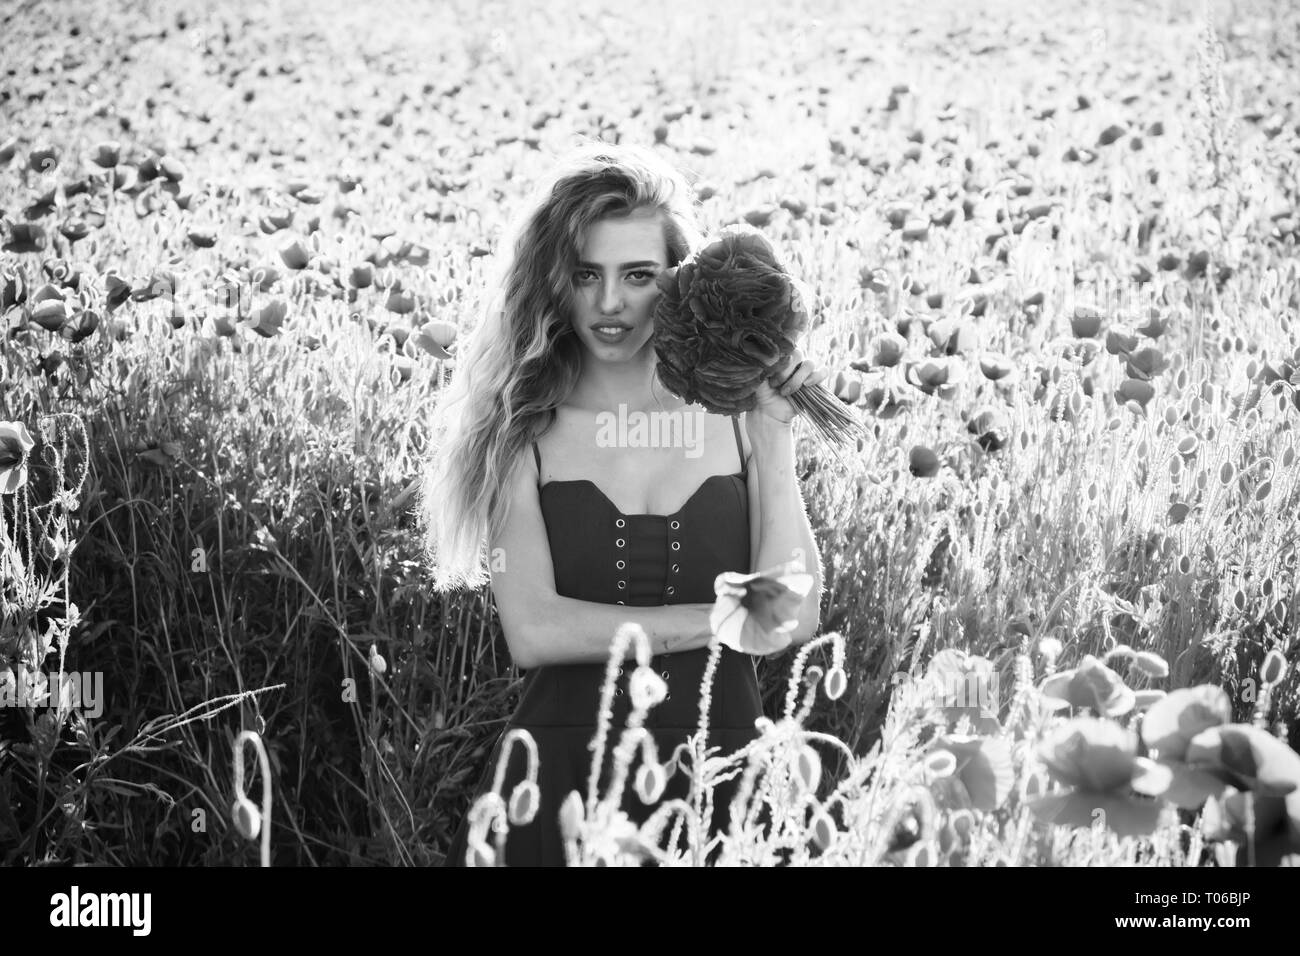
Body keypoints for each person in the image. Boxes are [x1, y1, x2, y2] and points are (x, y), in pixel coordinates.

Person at [417, 140, 825, 866]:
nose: (610, 304)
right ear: (554, 283)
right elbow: (536, 631)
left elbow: (795, 615)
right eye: (586, 274)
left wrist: (775, 432)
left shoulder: (738, 420)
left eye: (639, 276)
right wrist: (725, 620)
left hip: (722, 772)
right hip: (557, 784)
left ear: (679, 285)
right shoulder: (524, 431)